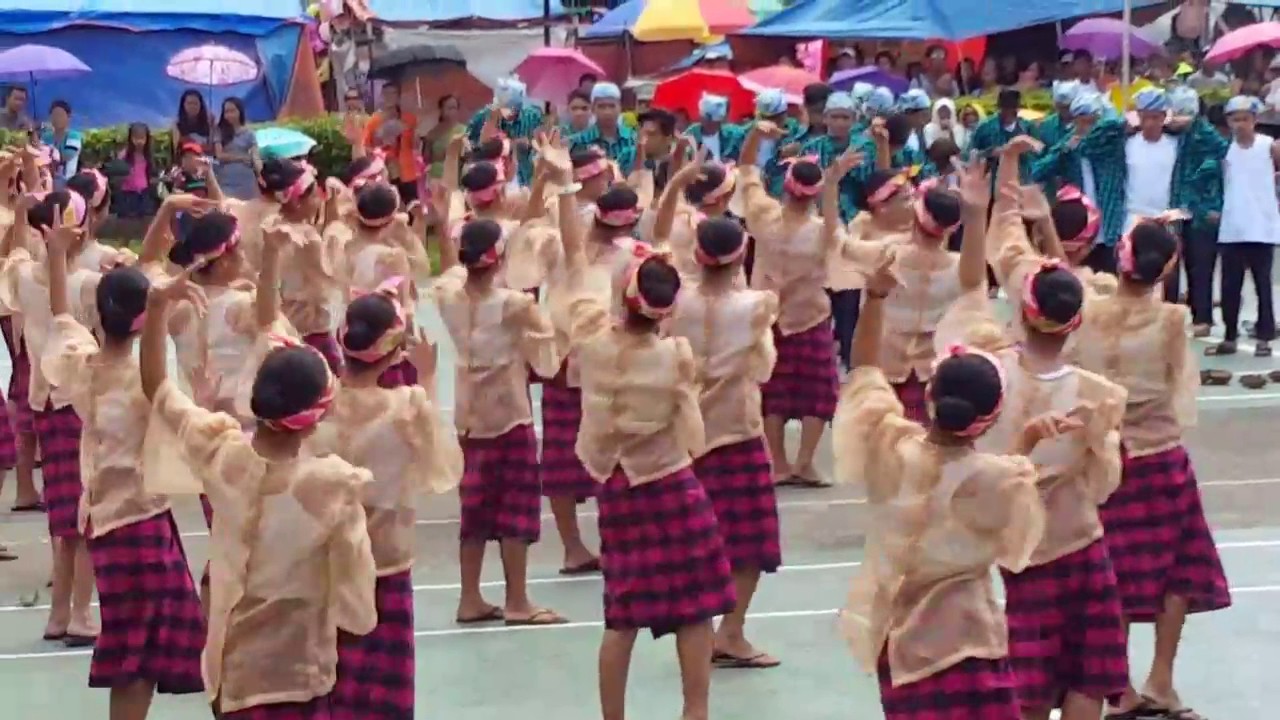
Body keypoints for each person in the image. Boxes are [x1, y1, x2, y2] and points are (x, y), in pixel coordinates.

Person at [138, 250, 379, 718]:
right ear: (315, 417)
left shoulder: (224, 455)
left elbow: (158, 389)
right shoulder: (331, 485)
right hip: (298, 672)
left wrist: (155, 310)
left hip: (233, 672)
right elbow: (357, 602)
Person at [551, 154, 734, 720]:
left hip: (618, 486)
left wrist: (562, 187)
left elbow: (578, 263)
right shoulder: (675, 356)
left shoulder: (593, 348)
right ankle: (694, 711)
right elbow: (691, 430)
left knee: (622, 617)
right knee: (695, 608)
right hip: (670, 484)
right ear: (666, 310)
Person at [836, 254, 1048, 720]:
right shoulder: (998, 477)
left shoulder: (890, 446)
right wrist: (1028, 440)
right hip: (970, 639)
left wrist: (874, 299)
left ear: (928, 397)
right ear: (989, 419)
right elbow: (1017, 530)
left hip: (902, 642)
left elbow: (865, 372)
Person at [954, 175, 1131, 720]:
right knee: (1088, 679)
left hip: (1019, 551)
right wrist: (1046, 228)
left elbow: (976, 285)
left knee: (1026, 686)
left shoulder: (991, 375)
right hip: (1081, 542)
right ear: (1075, 321)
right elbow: (1105, 483)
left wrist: (983, 211)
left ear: (1024, 311)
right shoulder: (1096, 393)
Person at [40, 204, 207, 719]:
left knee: (135, 651)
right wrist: (159, 313)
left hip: (108, 522)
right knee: (140, 655)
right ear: (141, 320)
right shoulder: (139, 383)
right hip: (139, 523)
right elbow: (156, 379)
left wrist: (54, 255)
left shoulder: (79, 362)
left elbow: (61, 313)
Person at [1072, 220, 1231, 720]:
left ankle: (1119, 687)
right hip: (1159, 454)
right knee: (1178, 571)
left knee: (1111, 573)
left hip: (1106, 459)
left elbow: (1060, 274)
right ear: (1167, 266)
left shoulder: (1088, 311)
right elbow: (1177, 388)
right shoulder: (1171, 320)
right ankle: (1160, 678)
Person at [315, 284, 463, 719]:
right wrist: (429, 377)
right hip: (385, 565)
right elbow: (441, 468)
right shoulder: (407, 405)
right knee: (384, 704)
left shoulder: (319, 403)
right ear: (393, 350)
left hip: (325, 566)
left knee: (331, 689)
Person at [429, 200, 567, 627]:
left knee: (474, 509)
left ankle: (469, 597)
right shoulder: (514, 304)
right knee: (515, 510)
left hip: (470, 418)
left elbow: (452, 270)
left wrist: (438, 221)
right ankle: (517, 600)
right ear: (500, 258)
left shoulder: (447, 296)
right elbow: (548, 359)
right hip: (509, 415)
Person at [665, 214, 782, 669]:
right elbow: (764, 368)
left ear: (698, 254)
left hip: (686, 432)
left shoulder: (677, 301)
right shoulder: (756, 306)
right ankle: (730, 632)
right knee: (750, 542)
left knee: (694, 539)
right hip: (737, 430)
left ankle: (699, 633)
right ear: (741, 256)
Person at [1, 191, 99, 646]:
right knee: (84, 515)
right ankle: (79, 613)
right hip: (76, 402)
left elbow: (18, 250)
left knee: (63, 517)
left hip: (45, 403)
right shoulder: (83, 284)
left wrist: (23, 213)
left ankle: (60, 613)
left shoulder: (21, 275)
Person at [1207, 95, 1279, 359]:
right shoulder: (1224, 149)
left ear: (1255, 120)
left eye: (1245, 119)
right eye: (1235, 119)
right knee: (1230, 286)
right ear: (1228, 121)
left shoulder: (1268, 146)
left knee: (1262, 285)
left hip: (1262, 226)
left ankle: (1264, 337)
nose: (1240, 124)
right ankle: (1230, 335)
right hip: (1232, 226)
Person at [361, 83, 421, 203]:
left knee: (413, 205)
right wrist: (381, 145)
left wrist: (416, 138)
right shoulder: (374, 121)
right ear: (382, 96)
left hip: (408, 171)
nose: (390, 97)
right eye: (386, 94)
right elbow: (366, 147)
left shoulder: (409, 118)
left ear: (398, 97)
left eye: (393, 93)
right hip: (387, 171)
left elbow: (415, 146)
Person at [568, 82, 638, 177]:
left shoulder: (633, 138)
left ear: (620, 108)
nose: (607, 112)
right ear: (592, 109)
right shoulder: (578, 141)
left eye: (612, 106)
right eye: (601, 106)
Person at [214, 97, 260, 201]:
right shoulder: (219, 131)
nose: (229, 114)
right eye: (226, 112)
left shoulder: (249, 133)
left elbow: (255, 156)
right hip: (226, 179)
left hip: (246, 179)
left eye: (232, 111)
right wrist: (241, 158)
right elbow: (219, 155)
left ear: (240, 111)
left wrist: (261, 172)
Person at [115, 122, 158, 218]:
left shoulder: (147, 155)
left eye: (142, 138)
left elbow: (150, 174)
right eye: (136, 138)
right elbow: (118, 174)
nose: (139, 141)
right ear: (130, 138)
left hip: (143, 193)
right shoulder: (125, 155)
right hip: (128, 194)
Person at [40, 100, 83, 186]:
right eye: (54, 115)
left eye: (60, 115)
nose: (57, 118)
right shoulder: (46, 136)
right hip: (46, 179)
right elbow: (39, 156)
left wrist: (47, 152)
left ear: (69, 117)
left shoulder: (74, 136)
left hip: (67, 182)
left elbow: (65, 156)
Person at [172, 89, 213, 158]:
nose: (192, 106)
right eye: (189, 103)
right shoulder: (177, 124)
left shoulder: (209, 122)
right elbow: (176, 148)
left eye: (195, 103)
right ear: (183, 105)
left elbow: (213, 148)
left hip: (205, 160)